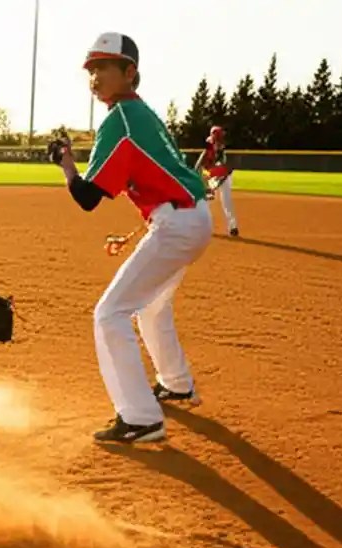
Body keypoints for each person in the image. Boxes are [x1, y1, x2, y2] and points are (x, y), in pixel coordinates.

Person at [56, 32, 213, 444]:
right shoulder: (142, 113)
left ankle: (141, 417)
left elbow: (88, 198)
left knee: (109, 314)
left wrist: (65, 163)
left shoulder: (120, 120)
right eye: (90, 69)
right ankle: (176, 382)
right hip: (189, 217)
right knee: (152, 306)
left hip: (177, 224)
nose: (94, 77)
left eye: (103, 68)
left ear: (130, 72)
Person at [196, 125, 239, 236]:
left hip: (224, 176)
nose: (220, 141)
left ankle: (233, 226)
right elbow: (199, 166)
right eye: (218, 138)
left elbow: (228, 168)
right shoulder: (208, 148)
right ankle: (201, 226)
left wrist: (217, 179)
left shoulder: (224, 150)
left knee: (226, 201)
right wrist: (204, 182)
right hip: (212, 175)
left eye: (220, 138)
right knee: (206, 200)